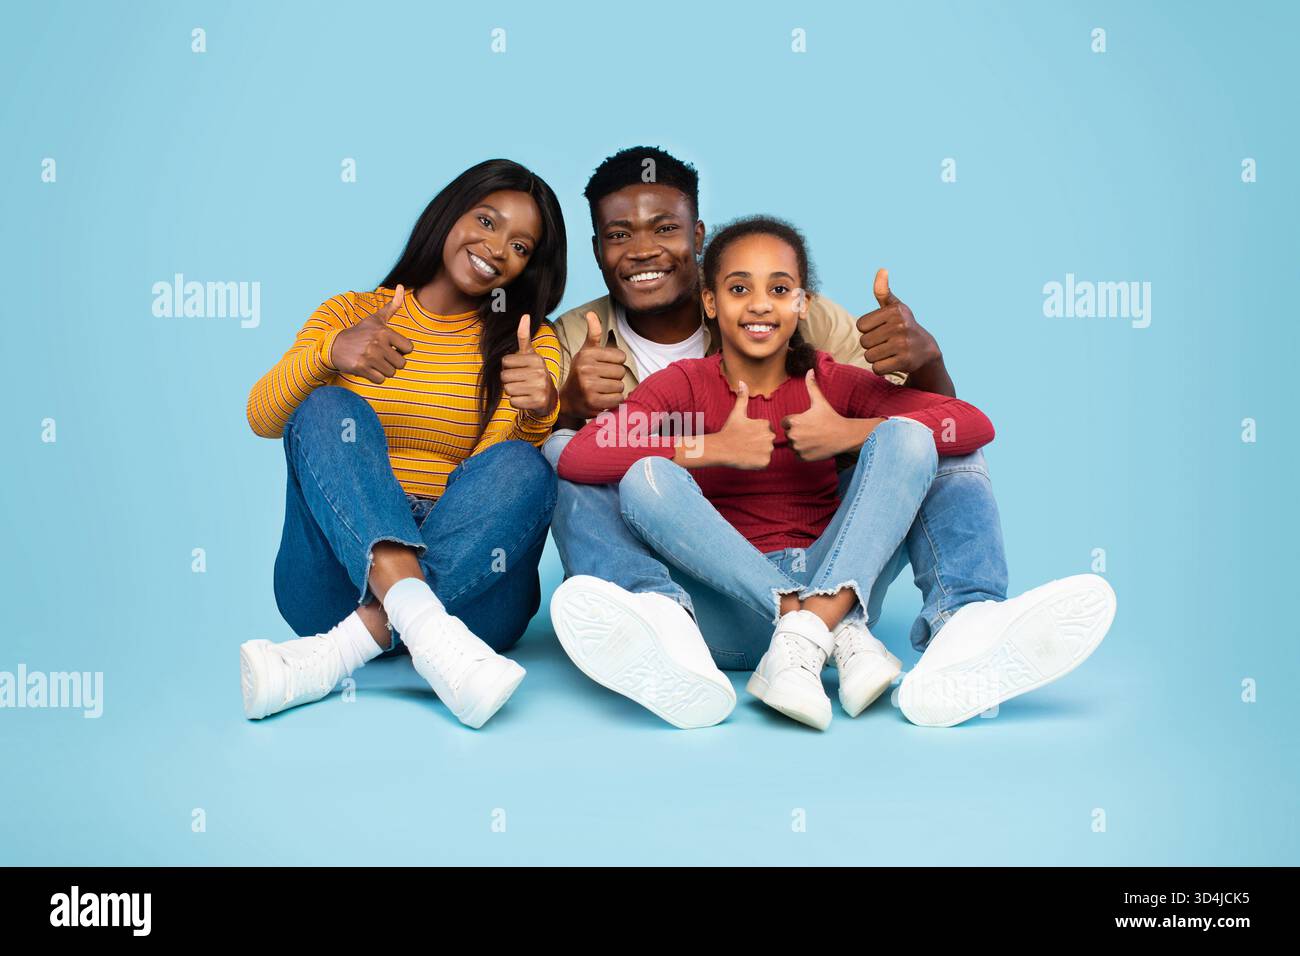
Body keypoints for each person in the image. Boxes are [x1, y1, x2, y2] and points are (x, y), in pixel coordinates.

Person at [554, 216, 1116, 730]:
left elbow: (971, 423)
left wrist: (848, 434)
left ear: (802, 304)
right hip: (733, 612)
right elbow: (581, 456)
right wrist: (712, 446)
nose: (759, 305)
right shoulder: (681, 385)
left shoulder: (831, 380)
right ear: (710, 302)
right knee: (644, 474)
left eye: (779, 289)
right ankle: (809, 624)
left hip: (834, 571)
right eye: (738, 288)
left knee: (926, 440)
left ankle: (963, 628)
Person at [239, 159, 567, 729]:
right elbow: (263, 418)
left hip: (475, 594)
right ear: (449, 214)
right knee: (324, 407)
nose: (496, 248)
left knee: (523, 465)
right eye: (486, 221)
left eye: (519, 246)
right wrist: (329, 355)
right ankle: (420, 631)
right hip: (331, 582)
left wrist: (538, 409)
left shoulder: (528, 343)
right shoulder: (349, 313)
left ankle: (336, 654)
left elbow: (494, 478)